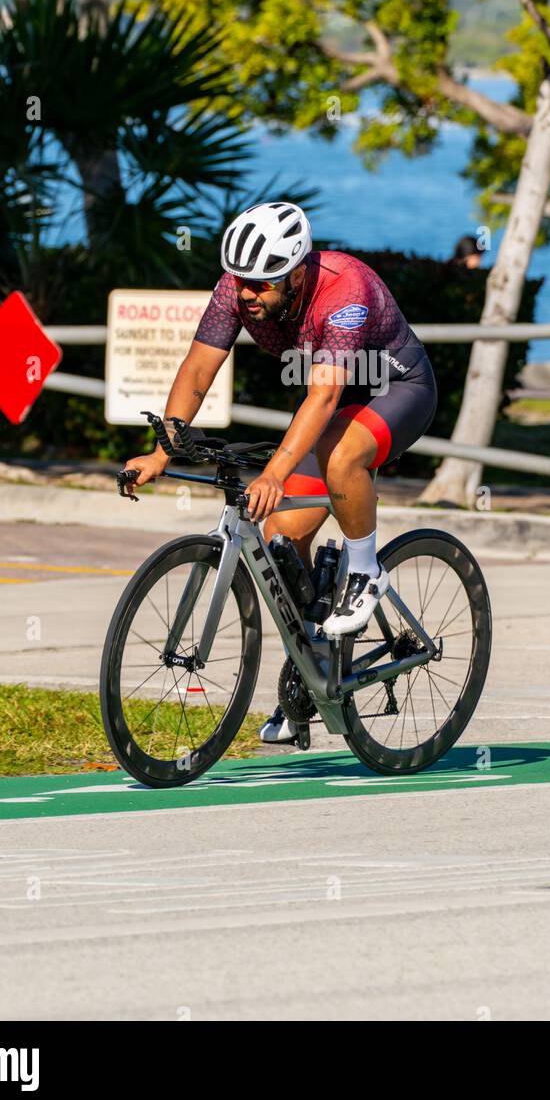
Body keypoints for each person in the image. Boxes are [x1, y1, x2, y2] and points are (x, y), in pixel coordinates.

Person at [123, 201, 438, 743]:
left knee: (342, 457)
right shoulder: (235, 289)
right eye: (240, 280)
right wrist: (162, 450)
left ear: (296, 272)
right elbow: (200, 366)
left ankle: (366, 568)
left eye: (260, 284)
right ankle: (313, 684)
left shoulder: (345, 291)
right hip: (329, 394)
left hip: (396, 389)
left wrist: (273, 472)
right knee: (281, 549)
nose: (246, 293)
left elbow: (324, 397)